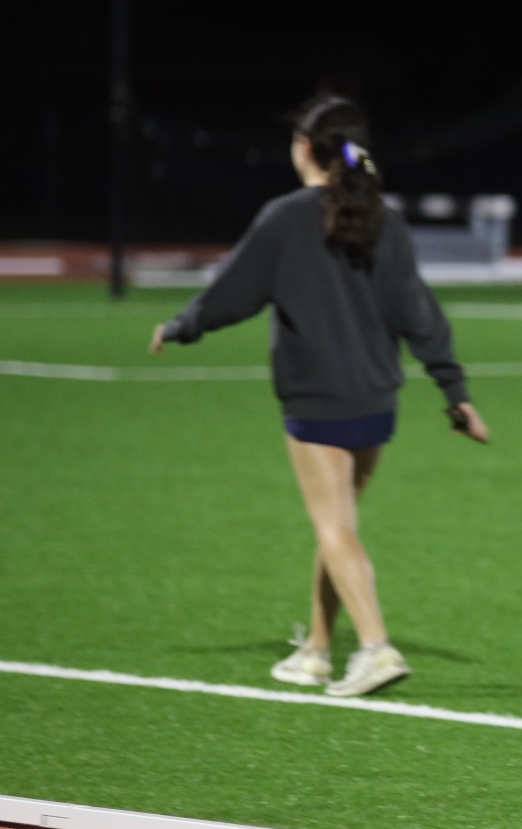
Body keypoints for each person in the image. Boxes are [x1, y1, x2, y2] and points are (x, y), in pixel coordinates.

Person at [150, 95, 489, 698]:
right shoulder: (383, 216)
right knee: (340, 526)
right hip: (377, 400)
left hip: (316, 399)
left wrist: (181, 326)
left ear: (305, 147)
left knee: (335, 527)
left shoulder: (285, 217)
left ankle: (375, 647)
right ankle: (315, 651)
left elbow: (232, 293)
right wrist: (454, 390)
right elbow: (421, 313)